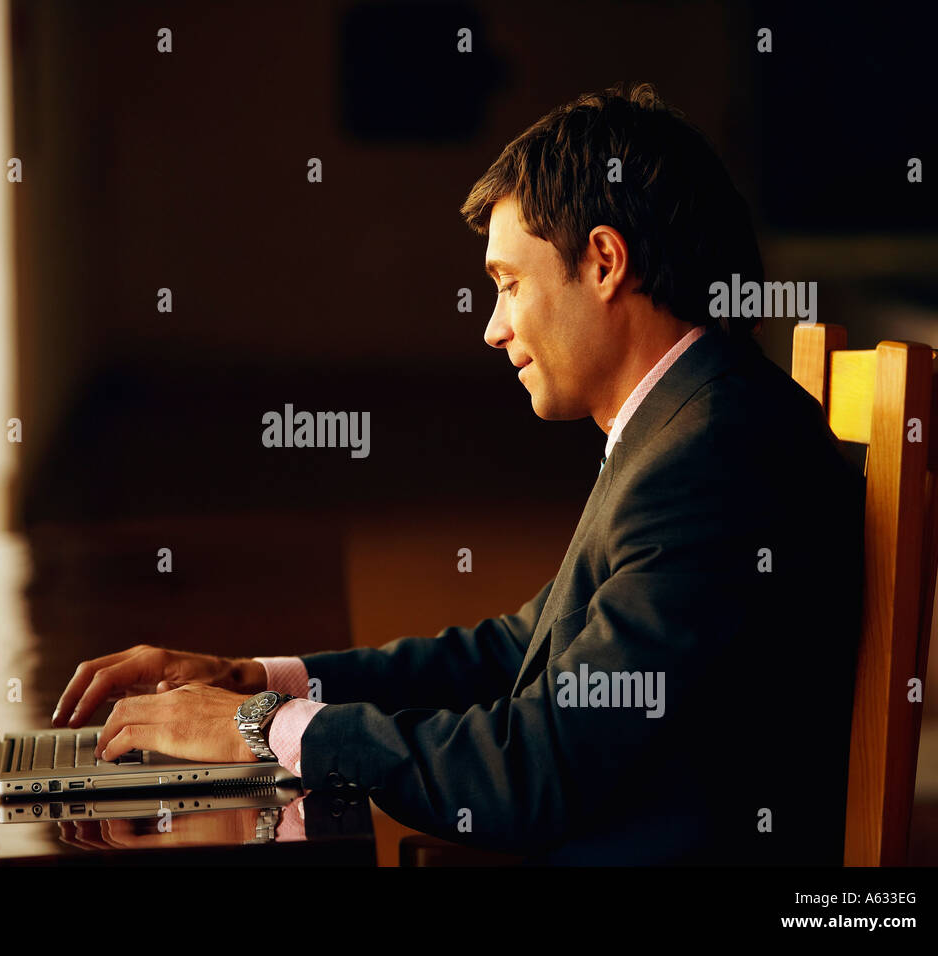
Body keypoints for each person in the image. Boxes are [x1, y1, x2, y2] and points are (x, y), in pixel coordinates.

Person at [52, 82, 864, 864]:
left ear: (606, 261)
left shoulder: (710, 460)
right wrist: (255, 680)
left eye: (509, 284)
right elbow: (518, 651)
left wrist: (260, 726)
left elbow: (535, 771)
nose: (493, 328)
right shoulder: (693, 420)